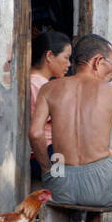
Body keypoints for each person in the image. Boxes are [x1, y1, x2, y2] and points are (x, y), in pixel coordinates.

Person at [29, 34, 112, 222]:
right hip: (100, 190)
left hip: (59, 182)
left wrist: (47, 169)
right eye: (111, 64)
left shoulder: (49, 89)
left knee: (75, 176)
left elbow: (35, 133)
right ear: (97, 61)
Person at [29, 30, 72, 181]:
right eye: (66, 58)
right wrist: (46, 167)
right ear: (49, 56)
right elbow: (36, 133)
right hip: (46, 155)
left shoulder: (32, 82)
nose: (69, 64)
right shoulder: (42, 86)